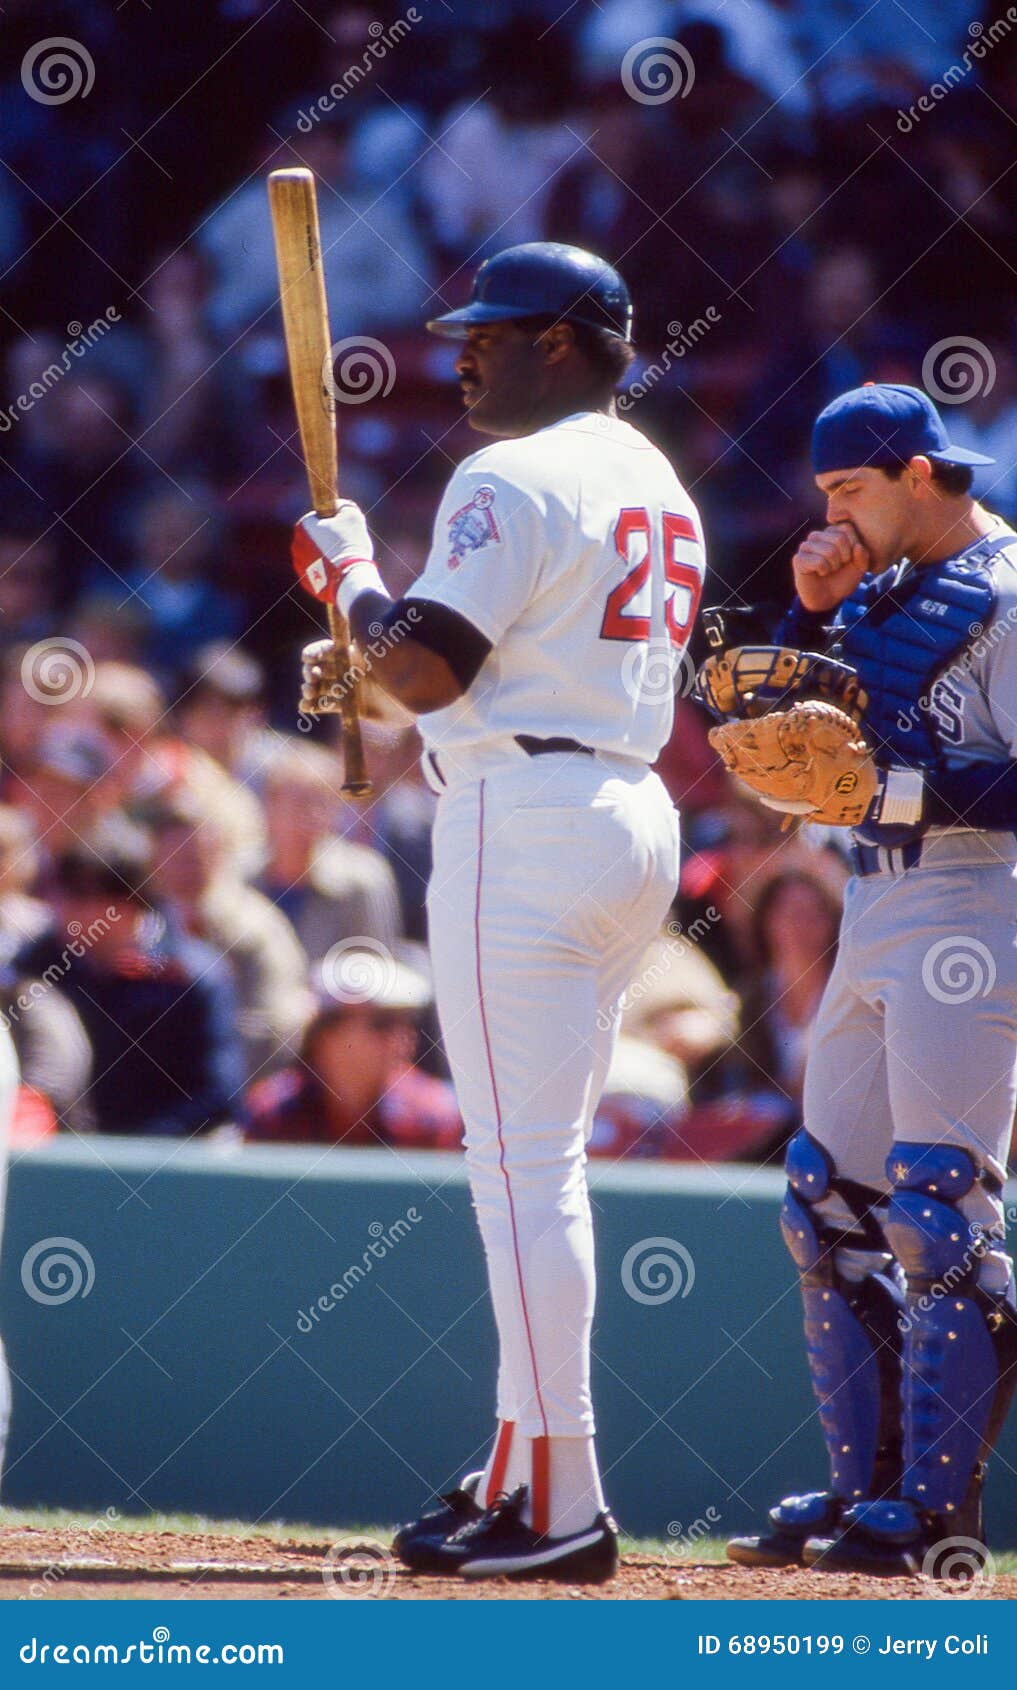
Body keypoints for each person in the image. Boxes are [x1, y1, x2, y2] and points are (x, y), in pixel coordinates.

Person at [293, 241, 705, 1581]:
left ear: (571, 341)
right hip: (625, 811)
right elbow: (470, 665)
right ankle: (522, 1463)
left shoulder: (508, 470)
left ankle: (563, 1497)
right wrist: (367, 635)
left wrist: (348, 579)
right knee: (540, 1164)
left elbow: (421, 665)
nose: (462, 349)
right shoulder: (655, 474)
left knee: (522, 1168)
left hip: (521, 821)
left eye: (497, 329)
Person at [727, 383, 1017, 1577]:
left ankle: (937, 1512)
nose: (832, 516)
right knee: (824, 1196)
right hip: (875, 895)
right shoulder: (872, 586)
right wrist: (804, 618)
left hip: (978, 894)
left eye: (850, 490)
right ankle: (864, 1494)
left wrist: (903, 795)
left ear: (916, 473)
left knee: (941, 1206)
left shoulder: (1006, 586)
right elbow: (802, 745)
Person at [243, 954, 460, 1150]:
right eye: (383, 1023)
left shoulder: (434, 1117)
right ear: (326, 1033)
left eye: (407, 1022)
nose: (402, 1036)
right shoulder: (270, 1112)